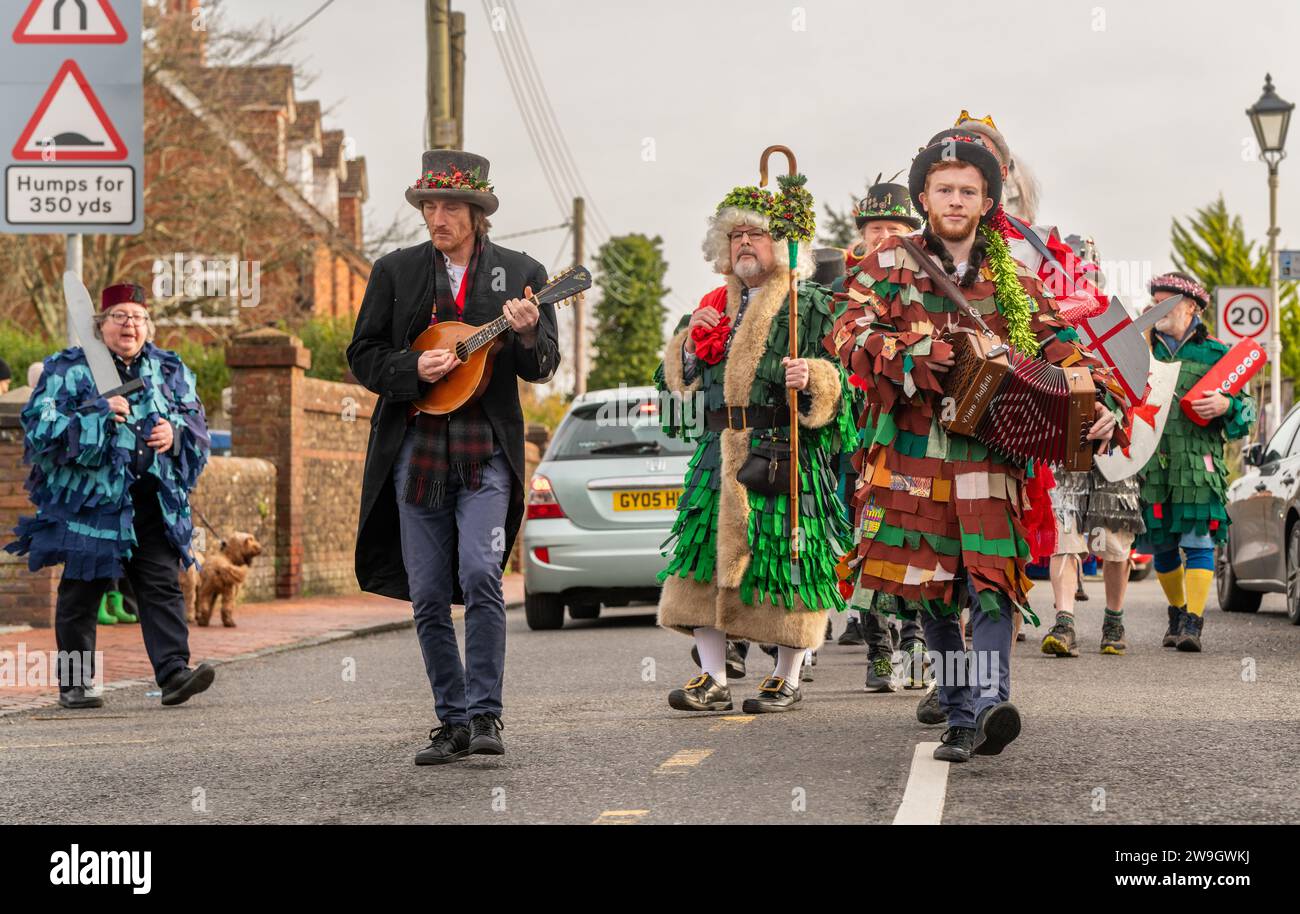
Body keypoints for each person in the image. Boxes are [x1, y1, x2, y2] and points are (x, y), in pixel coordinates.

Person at [829, 128, 1130, 762]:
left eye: (970, 190)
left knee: (993, 580)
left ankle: (993, 702)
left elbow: (1059, 345)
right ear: (924, 195)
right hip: (911, 449)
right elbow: (847, 335)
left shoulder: (1014, 275)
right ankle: (962, 715)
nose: (957, 199)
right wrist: (924, 356)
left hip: (991, 450)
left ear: (988, 199)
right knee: (931, 584)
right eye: (945, 189)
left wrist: (1101, 398)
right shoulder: (886, 265)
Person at [348, 150, 560, 765]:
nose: (436, 217)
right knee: (428, 590)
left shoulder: (522, 272)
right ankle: (453, 721)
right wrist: (411, 366)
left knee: (480, 571)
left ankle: (487, 712)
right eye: (428, 206)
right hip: (415, 448)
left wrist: (524, 331)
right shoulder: (395, 271)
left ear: (476, 213)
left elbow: (543, 365)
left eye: (449, 207)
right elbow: (362, 355)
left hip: (485, 450)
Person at [655, 163, 855, 714]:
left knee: (787, 560)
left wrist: (815, 379)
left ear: (783, 245)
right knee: (701, 561)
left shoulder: (811, 305)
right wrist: (688, 356)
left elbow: (850, 387)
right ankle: (712, 677)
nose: (744, 244)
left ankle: (787, 676)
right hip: (717, 452)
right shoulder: (709, 307)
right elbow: (672, 381)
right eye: (735, 235)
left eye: (756, 234)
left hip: (784, 449)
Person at [956, 112, 1147, 659]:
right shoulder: (909, 253)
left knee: (1042, 532)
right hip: (948, 414)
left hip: (1034, 410)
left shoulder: (1041, 253)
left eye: (984, 168)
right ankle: (955, 671)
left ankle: (989, 667)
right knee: (940, 544)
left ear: (1004, 177)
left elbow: (1082, 338)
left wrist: (1104, 397)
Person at [6, 282, 213, 709]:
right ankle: (76, 684)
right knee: (83, 590)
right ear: (100, 326)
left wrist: (174, 434)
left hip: (152, 500)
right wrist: (97, 415)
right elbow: (40, 426)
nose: (129, 325)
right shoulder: (66, 369)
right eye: (119, 316)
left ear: (148, 326)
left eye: (137, 318)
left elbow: (197, 425)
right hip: (93, 502)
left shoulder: (170, 368)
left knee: (160, 585)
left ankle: (173, 673)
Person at [834, 176, 931, 692]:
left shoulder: (926, 285)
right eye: (875, 229)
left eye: (893, 228)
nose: (883, 238)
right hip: (854, 435)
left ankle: (916, 638)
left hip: (910, 434)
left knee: (914, 531)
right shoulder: (840, 289)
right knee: (865, 537)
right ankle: (877, 645)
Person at [1139, 272, 1256, 652]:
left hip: (1199, 464)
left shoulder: (1217, 355)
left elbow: (1246, 412)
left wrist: (1228, 405)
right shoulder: (1141, 351)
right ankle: (1177, 612)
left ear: (1190, 307)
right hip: (1152, 465)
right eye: (1154, 300)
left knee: (1199, 539)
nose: (1157, 308)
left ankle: (1194, 621)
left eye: (1166, 301)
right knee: (1162, 544)